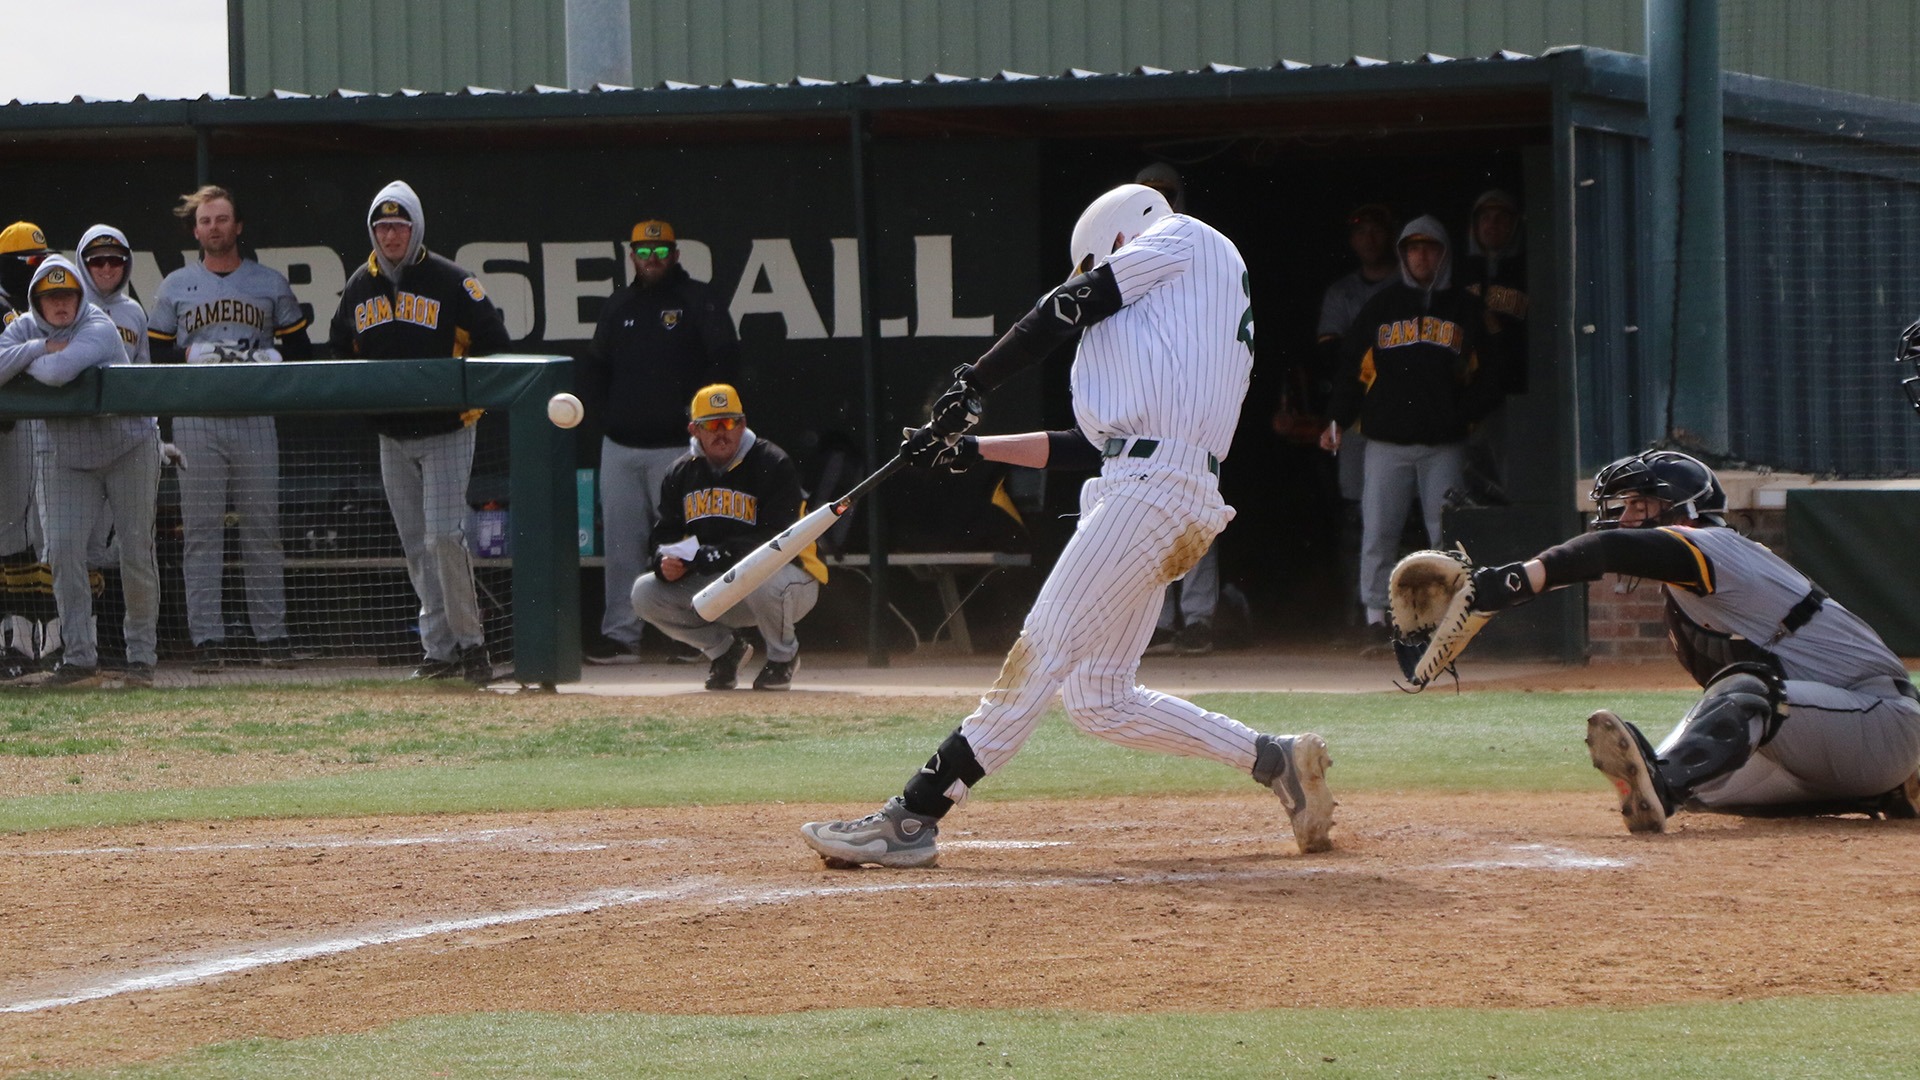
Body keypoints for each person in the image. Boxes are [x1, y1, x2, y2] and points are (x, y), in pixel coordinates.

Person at [800, 183, 1335, 869]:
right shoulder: (1164, 328)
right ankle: (1274, 758)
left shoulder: (1182, 238)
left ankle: (913, 817)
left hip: (1153, 491)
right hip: (1147, 485)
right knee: (1100, 700)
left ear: (1119, 237)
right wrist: (972, 446)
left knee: (1043, 647)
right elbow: (1093, 444)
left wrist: (972, 382)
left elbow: (1069, 305)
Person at [1463, 449, 1920, 831]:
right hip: (1818, 744)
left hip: (1881, 719)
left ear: (1685, 511)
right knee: (1703, 781)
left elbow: (1607, 551)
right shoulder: (1684, 594)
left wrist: (1514, 582)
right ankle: (1883, 791)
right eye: (1623, 507)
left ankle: (1663, 782)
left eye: (1640, 506)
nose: (1624, 519)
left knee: (1747, 689)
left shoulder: (1718, 546)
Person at [329, 180, 511, 687]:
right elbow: (341, 347)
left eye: (400, 225)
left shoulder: (453, 279)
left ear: (416, 228)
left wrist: (464, 393)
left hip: (448, 430)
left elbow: (496, 342)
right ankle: (439, 649)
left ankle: (473, 644)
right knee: (415, 543)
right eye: (382, 226)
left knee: (445, 537)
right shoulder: (358, 285)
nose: (390, 235)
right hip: (392, 436)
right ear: (372, 230)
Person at [148, 185, 312, 671]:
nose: (214, 227)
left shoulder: (269, 283)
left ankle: (272, 636)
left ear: (238, 226)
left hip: (255, 417)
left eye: (222, 219)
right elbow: (155, 356)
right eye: (206, 221)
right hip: (197, 420)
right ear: (195, 229)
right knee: (201, 534)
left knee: (263, 531)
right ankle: (207, 640)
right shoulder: (175, 285)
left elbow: (301, 354)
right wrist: (195, 354)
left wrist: (264, 355)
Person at [1321, 215, 1499, 634]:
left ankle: (1447, 617)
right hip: (1385, 442)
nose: (1421, 256)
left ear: (1444, 254)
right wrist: (1337, 418)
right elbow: (1352, 369)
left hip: (1445, 444)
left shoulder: (1466, 309)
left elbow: (1491, 375)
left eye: (1430, 248)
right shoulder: (1381, 308)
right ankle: (1375, 617)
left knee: (1446, 535)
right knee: (1379, 532)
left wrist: (1464, 416)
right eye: (1413, 248)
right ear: (1403, 254)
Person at [578, 218, 740, 665]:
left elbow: (724, 360)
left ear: (675, 254)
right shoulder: (619, 305)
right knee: (623, 546)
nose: (652, 260)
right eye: (644, 253)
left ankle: (697, 635)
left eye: (660, 251)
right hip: (622, 446)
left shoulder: (697, 300)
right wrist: (605, 416)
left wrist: (701, 426)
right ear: (632, 256)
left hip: (679, 447)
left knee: (686, 545)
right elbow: (596, 365)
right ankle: (620, 636)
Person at [0, 252, 162, 687]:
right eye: (50, 296)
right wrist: (35, 346)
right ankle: (78, 657)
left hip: (128, 445)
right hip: (68, 454)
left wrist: (21, 363)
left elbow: (57, 373)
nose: (60, 304)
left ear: (79, 295)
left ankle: (142, 657)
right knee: (65, 551)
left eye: (67, 294)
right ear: (36, 299)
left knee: (135, 551)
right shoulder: (25, 328)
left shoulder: (98, 324)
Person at [629, 383, 823, 692]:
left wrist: (717, 554)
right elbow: (665, 534)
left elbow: (780, 537)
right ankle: (725, 651)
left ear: (743, 424)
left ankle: (783, 657)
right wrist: (665, 560)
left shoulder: (772, 462)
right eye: (712, 425)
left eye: (730, 423)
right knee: (645, 593)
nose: (722, 432)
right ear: (695, 430)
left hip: (792, 578)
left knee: (761, 572)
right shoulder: (680, 473)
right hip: (723, 587)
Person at [1132, 163, 1221, 658]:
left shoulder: (1199, 248)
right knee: (1143, 518)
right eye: (1147, 193)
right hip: (1144, 403)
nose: (1156, 201)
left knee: (1199, 513)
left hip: (1193, 402)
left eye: (1164, 194)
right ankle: (1158, 621)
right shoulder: (1122, 251)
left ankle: (1200, 617)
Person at [0, 222, 56, 676]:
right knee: (13, 537)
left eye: (40, 261)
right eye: (27, 263)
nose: (35, 270)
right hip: (9, 434)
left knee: (38, 538)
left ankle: (36, 643)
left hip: (30, 433)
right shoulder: (4, 304)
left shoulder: (40, 306)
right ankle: (17, 642)